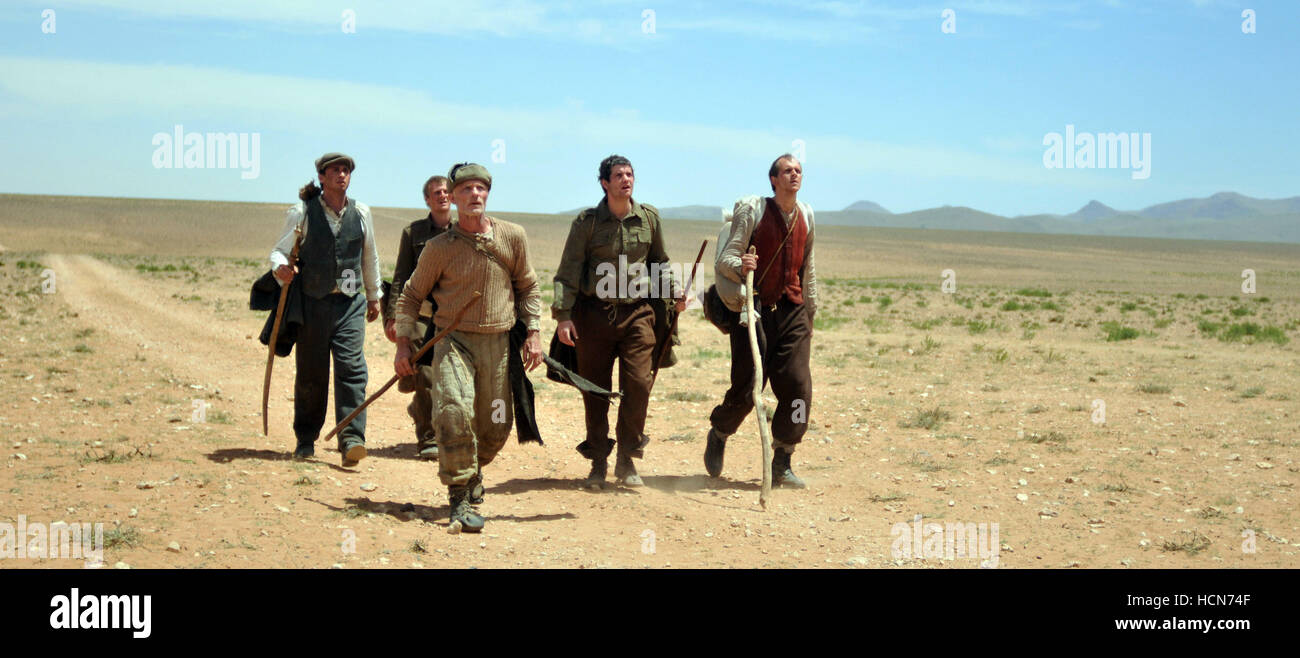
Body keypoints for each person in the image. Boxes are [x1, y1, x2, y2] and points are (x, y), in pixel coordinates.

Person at [394, 163, 543, 533]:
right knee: (453, 410)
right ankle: (459, 496)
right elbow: (411, 296)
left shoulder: (512, 236)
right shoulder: (438, 248)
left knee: (496, 424)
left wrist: (534, 331)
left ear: (487, 194)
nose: (474, 195)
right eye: (466, 190)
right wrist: (402, 345)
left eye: (480, 188)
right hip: (453, 341)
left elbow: (528, 287)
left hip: (498, 344)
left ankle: (474, 468)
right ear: (454, 197)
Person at [552, 155, 684, 489]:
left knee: (639, 384)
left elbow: (660, 263)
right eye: (618, 175)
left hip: (638, 314)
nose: (626, 179)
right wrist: (564, 316)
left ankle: (627, 459)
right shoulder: (588, 222)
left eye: (630, 174)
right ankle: (598, 460)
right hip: (594, 317)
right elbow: (568, 271)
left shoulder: (649, 219)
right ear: (604, 184)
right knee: (595, 391)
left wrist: (675, 292)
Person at [705, 154, 818, 488]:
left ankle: (783, 457)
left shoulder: (807, 216)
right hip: (752, 308)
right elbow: (725, 259)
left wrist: (810, 312)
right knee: (746, 388)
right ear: (773, 179)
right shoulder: (752, 210)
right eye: (787, 171)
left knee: (798, 388)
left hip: (792, 310)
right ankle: (721, 430)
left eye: (798, 170)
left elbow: (807, 269)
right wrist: (744, 264)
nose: (794, 175)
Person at [270, 152, 382, 466]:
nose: (341, 175)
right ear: (321, 177)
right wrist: (281, 269)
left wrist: (374, 296)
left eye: (346, 170)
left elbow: (369, 255)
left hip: (349, 304)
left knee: (352, 369)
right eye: (334, 170)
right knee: (311, 373)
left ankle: (352, 439)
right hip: (312, 304)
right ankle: (305, 439)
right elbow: (278, 252)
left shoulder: (361, 213)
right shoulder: (301, 212)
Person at [385, 175, 454, 460]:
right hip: (420, 314)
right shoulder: (413, 233)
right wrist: (393, 316)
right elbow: (401, 276)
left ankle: (421, 409)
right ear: (427, 199)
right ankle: (428, 436)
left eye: (447, 191)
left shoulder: (464, 230)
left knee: (448, 375)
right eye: (436, 192)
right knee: (426, 371)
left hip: (453, 314)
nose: (442, 196)